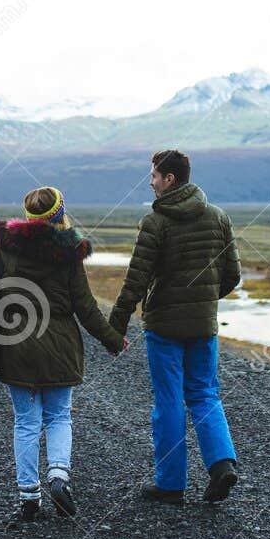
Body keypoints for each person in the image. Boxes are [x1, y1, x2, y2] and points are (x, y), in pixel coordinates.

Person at [0, 186, 127, 522]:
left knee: (26, 421)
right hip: (60, 347)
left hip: (17, 345)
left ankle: (28, 496)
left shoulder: (5, 249)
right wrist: (113, 340)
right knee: (59, 417)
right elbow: (85, 307)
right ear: (60, 214)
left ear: (28, 214)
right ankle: (59, 477)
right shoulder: (69, 254)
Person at [109, 149, 241, 505]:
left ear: (169, 179)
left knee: (169, 400)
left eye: (153, 176)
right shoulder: (218, 217)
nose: (150, 182)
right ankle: (222, 464)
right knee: (204, 394)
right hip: (203, 326)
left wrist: (116, 324)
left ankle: (170, 485)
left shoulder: (155, 222)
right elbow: (232, 275)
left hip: (164, 327)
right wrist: (203, 300)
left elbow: (135, 282)